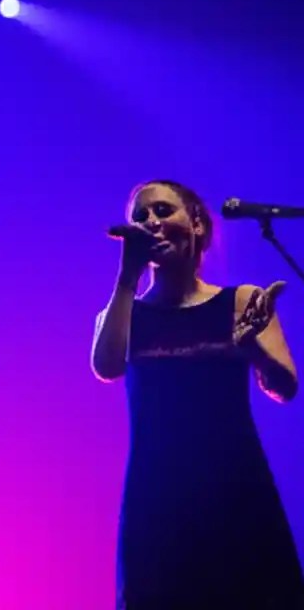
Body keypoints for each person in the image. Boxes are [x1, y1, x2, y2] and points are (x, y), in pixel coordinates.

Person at [91, 179, 302, 609]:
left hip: (237, 492)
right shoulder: (124, 312)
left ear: (198, 224)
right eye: (140, 217)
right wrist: (128, 276)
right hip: (158, 500)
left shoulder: (241, 301)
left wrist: (252, 348)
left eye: (163, 210)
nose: (151, 221)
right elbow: (107, 366)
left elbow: (285, 387)